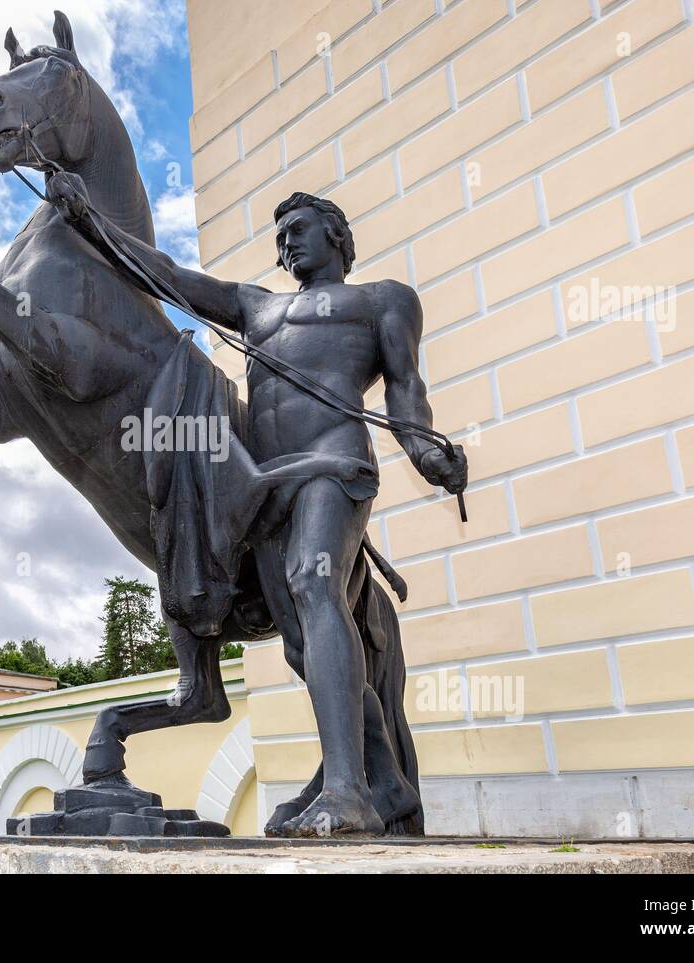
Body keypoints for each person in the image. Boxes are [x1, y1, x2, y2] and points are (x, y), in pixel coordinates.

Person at [48, 173, 467, 834]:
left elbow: (406, 392)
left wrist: (426, 453)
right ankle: (383, 779)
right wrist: (89, 219)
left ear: (334, 233)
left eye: (295, 231)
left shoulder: (383, 300)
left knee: (311, 581)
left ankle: (349, 788)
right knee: (302, 642)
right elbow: (164, 274)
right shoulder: (256, 307)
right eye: (277, 239)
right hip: (263, 486)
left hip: (333, 465)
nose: (284, 247)